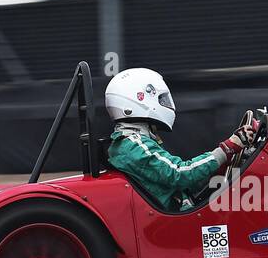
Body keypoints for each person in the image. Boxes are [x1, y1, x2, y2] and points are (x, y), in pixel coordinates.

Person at [105, 67, 253, 210]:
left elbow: (184, 183)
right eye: (160, 99)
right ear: (138, 99)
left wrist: (220, 166)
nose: (165, 103)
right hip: (177, 220)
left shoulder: (131, 143)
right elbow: (179, 173)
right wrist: (227, 148)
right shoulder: (133, 145)